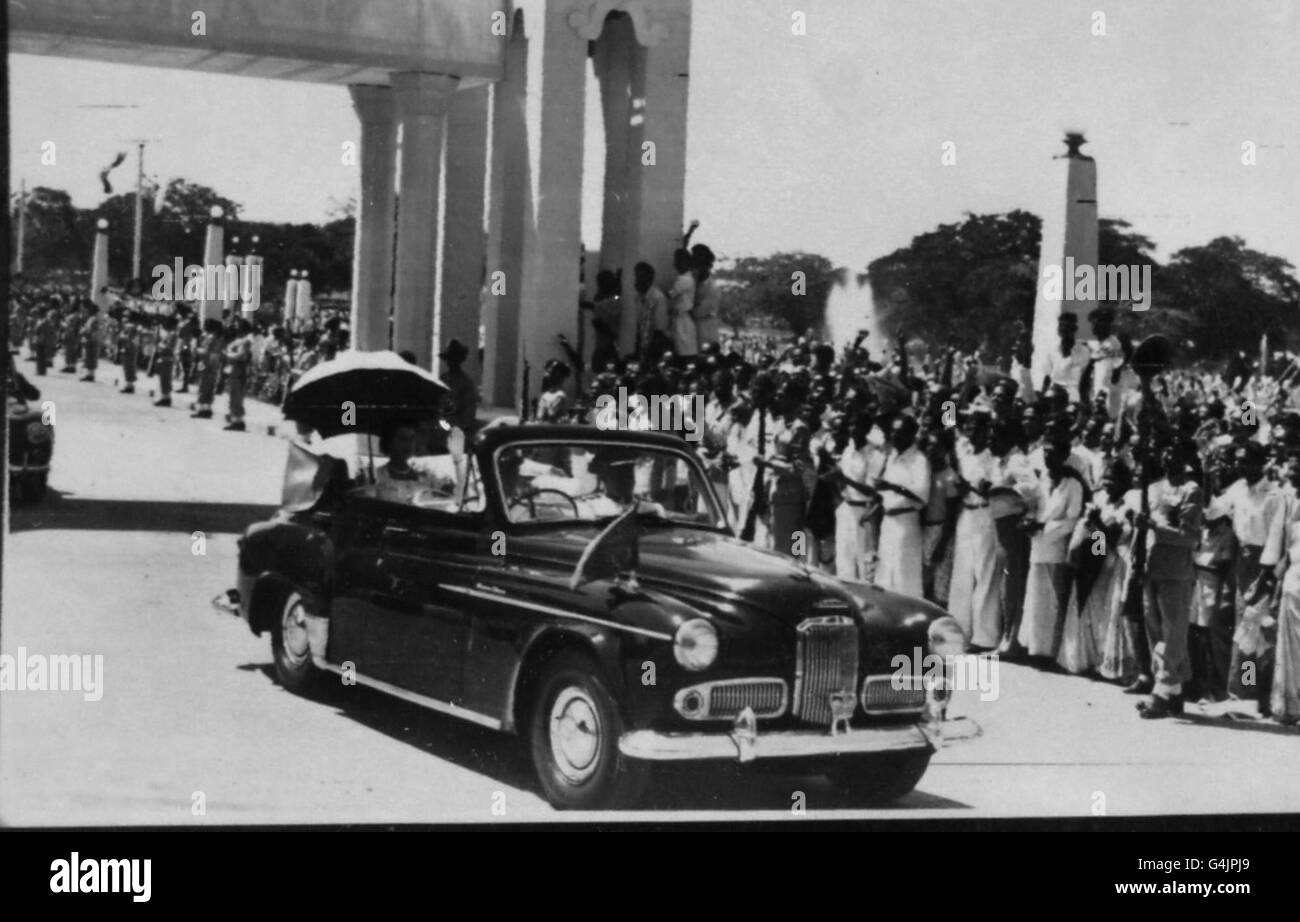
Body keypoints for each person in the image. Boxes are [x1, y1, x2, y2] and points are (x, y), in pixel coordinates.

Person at [1136, 445, 1203, 718]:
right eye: (1165, 454)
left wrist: (1154, 526)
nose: (1168, 459)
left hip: (1176, 569)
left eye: (1174, 455)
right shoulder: (1153, 488)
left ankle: (1161, 691)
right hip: (1152, 566)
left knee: (1174, 631)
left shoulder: (1191, 491)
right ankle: (1173, 690)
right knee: (1156, 629)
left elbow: (1189, 537)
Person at [1018, 440, 1085, 660]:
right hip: (1037, 545)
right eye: (1045, 452)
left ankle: (1050, 651)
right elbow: (1034, 507)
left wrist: (1043, 527)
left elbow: (1072, 520)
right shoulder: (1042, 481)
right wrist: (1030, 523)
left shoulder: (1073, 485)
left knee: (1053, 601)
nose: (1047, 456)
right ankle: (1035, 648)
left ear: (1064, 454)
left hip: (1057, 547)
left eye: (1053, 452)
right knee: (1036, 599)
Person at [949, 411, 1002, 650]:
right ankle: (960, 631)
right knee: (962, 574)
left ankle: (985, 635)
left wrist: (971, 487)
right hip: (966, 514)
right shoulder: (965, 455)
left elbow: (994, 492)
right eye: (968, 428)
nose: (971, 434)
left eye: (976, 428)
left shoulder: (993, 459)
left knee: (985, 574)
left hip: (984, 515)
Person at [874, 414, 930, 597]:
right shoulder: (892, 457)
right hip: (888, 521)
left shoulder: (919, 460)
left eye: (898, 432)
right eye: (892, 432)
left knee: (904, 574)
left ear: (910, 435)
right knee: (885, 573)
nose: (893, 436)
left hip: (906, 522)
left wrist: (892, 487)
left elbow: (922, 495)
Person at [1043, 311, 1092, 402]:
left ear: (1074, 329)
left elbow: (1085, 379)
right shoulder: (1053, 351)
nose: (1063, 328)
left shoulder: (1083, 351)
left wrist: (1085, 401)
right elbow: (1047, 378)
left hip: (1071, 395)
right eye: (1061, 325)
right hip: (1052, 393)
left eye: (1067, 326)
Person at [631, 262, 671, 364]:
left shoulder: (657, 297)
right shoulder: (638, 297)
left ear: (648, 279)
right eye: (636, 277)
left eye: (640, 277)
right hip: (643, 343)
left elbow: (660, 328)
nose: (636, 281)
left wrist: (651, 352)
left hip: (655, 345)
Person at [438, 338, 479, 434]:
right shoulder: (443, 378)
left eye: (453, 359)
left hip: (457, 424)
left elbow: (469, 408)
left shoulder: (466, 382)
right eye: (449, 359)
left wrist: (464, 426)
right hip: (442, 422)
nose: (450, 362)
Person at [222, 318, 253, 431]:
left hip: (238, 369)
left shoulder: (245, 341)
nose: (235, 327)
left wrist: (227, 354)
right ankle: (233, 416)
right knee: (232, 394)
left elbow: (241, 356)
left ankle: (238, 421)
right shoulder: (236, 340)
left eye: (237, 325)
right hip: (231, 369)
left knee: (236, 395)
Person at [669, 248, 698, 361]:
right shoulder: (685, 278)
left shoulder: (685, 280)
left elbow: (670, 295)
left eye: (677, 261)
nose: (675, 264)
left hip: (683, 319)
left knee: (684, 350)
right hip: (679, 318)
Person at [692, 244, 720, 350]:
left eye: (699, 264)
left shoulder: (712, 288)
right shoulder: (693, 282)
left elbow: (697, 312)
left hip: (706, 334)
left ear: (708, 265)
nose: (696, 268)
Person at [151, 315, 178, 407]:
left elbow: (168, 347)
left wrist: (159, 345)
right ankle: (165, 397)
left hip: (167, 358)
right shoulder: (170, 333)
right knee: (163, 379)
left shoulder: (173, 334)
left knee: (166, 379)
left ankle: (166, 398)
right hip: (164, 358)